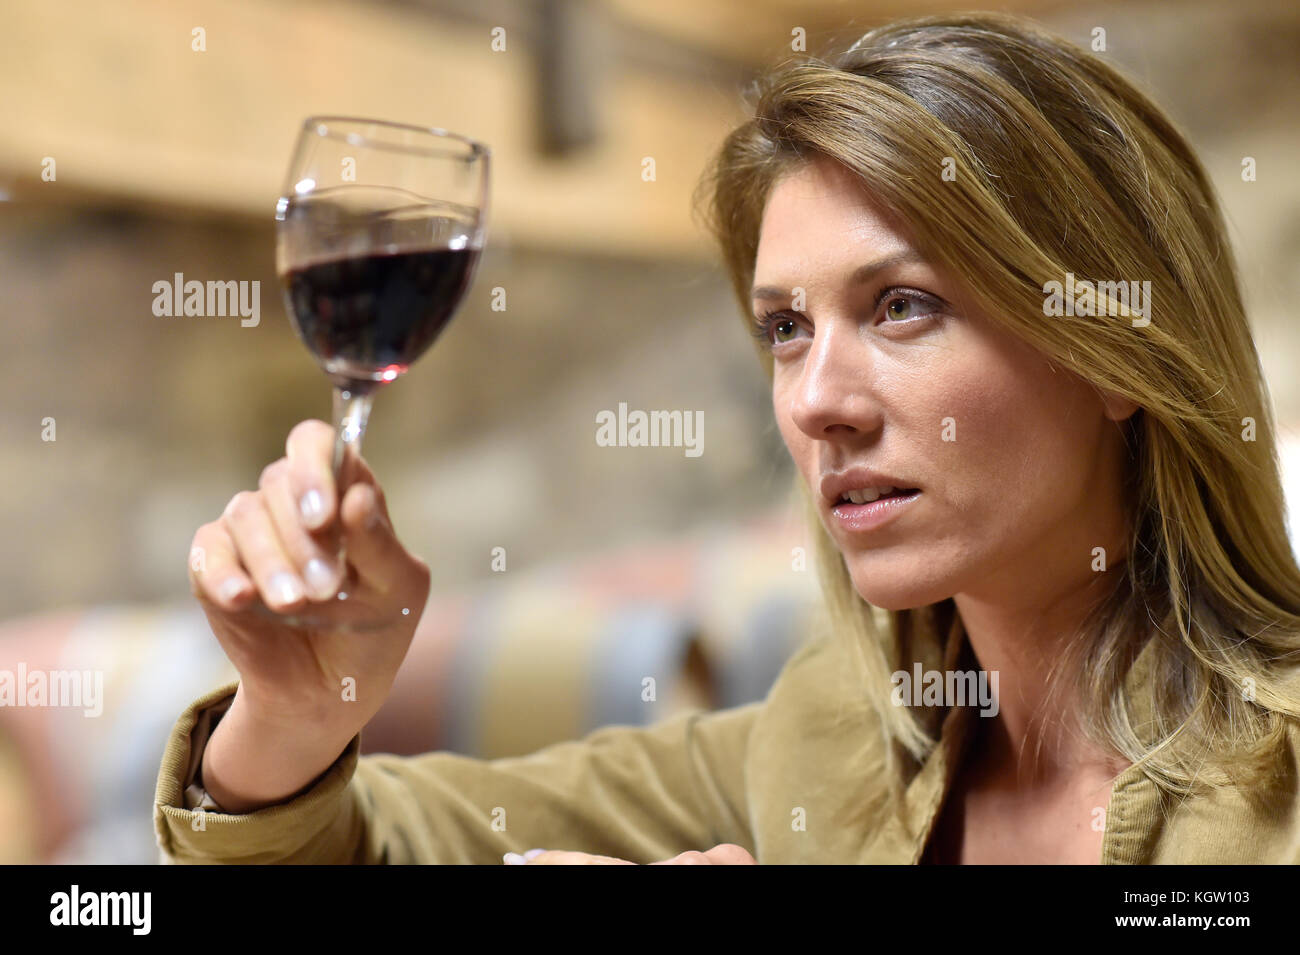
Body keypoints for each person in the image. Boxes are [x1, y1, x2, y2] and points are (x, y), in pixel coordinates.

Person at [155, 12, 1300, 864]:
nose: (814, 401)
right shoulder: (827, 741)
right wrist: (293, 718)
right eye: (786, 328)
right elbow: (375, 848)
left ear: (1112, 354)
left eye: (900, 306)